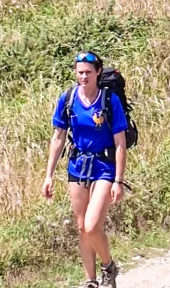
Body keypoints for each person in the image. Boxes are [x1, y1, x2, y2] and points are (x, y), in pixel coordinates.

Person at [43, 51, 129, 288]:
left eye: (88, 72)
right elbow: (58, 137)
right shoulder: (68, 98)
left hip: (104, 167)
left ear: (98, 72)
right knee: (82, 227)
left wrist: (119, 181)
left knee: (92, 225)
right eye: (80, 72)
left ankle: (108, 267)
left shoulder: (109, 101)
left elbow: (120, 143)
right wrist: (48, 175)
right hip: (77, 166)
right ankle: (91, 281)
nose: (83, 76)